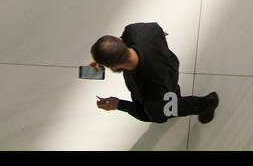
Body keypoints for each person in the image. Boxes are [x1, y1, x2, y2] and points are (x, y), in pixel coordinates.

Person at [87, 22, 219, 124]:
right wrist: (105, 56)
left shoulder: (149, 90)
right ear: (119, 41)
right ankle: (176, 94)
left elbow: (156, 116)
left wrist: (118, 104)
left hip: (162, 87)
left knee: (171, 107)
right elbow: (156, 30)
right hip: (169, 66)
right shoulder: (135, 31)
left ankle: (206, 104)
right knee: (171, 91)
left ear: (113, 66)